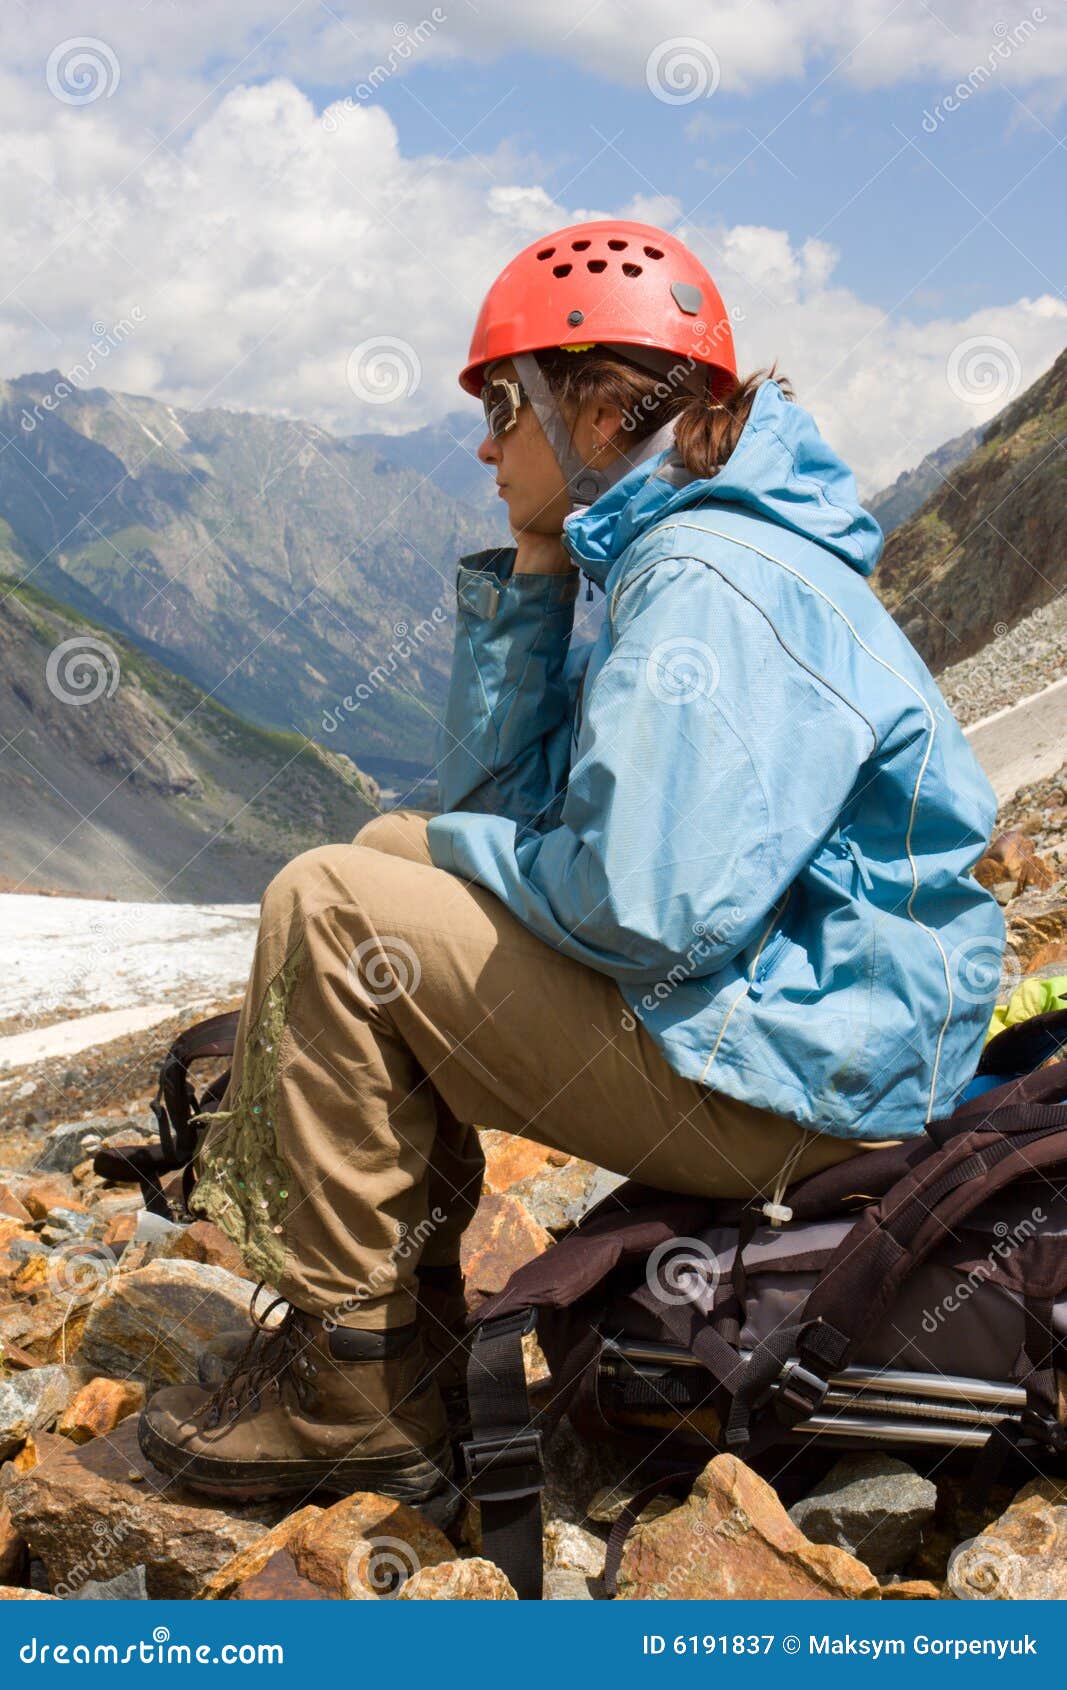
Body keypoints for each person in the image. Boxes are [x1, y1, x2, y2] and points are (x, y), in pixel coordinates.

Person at [139, 219, 1005, 1519]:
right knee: (377, 857)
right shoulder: (683, 545)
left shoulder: (704, 577)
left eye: (502, 406)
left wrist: (454, 845)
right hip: (802, 1041)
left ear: (596, 406)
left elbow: (646, 905)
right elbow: (515, 816)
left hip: (797, 1086)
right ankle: (394, 1336)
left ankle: (358, 1400)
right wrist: (538, 582)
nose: (484, 446)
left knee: (329, 903)